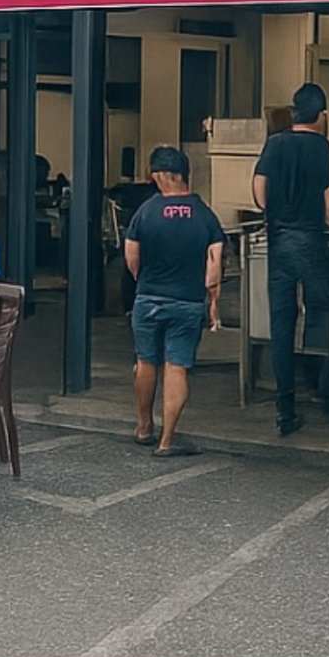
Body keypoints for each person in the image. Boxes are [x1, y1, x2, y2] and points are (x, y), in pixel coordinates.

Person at [252, 82, 329, 437]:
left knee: (281, 326)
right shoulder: (321, 147)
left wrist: (273, 209)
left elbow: (260, 191)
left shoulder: (274, 144)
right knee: (326, 314)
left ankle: (285, 410)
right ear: (321, 116)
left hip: (279, 243)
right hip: (310, 241)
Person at [124, 146, 224, 457]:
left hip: (149, 297)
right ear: (183, 176)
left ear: (158, 176)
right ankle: (167, 441)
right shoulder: (205, 215)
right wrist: (213, 305)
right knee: (176, 367)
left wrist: (147, 283)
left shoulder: (146, 212)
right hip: (187, 300)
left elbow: (131, 257)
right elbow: (214, 265)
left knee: (146, 361)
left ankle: (143, 426)